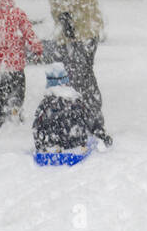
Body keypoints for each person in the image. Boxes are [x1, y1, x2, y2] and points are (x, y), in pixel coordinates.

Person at [41, 11, 111, 145]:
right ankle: (76, 129)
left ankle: (88, 127)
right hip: (76, 35)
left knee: (81, 86)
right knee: (75, 88)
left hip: (80, 34)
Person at [33, 63, 108, 154]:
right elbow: (90, 119)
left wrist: (39, 144)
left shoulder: (45, 104)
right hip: (75, 141)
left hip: (52, 142)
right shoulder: (75, 100)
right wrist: (102, 134)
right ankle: (73, 144)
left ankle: (55, 146)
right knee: (77, 123)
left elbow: (37, 127)